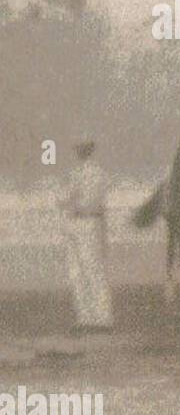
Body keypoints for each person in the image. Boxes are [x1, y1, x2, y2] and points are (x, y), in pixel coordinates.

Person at [60, 139, 114, 331]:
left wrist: (71, 199)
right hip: (76, 222)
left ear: (87, 151)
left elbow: (85, 201)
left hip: (89, 221)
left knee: (92, 270)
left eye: (81, 149)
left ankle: (102, 318)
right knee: (76, 272)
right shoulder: (78, 173)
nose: (79, 152)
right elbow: (64, 199)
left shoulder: (96, 173)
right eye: (78, 148)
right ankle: (86, 317)